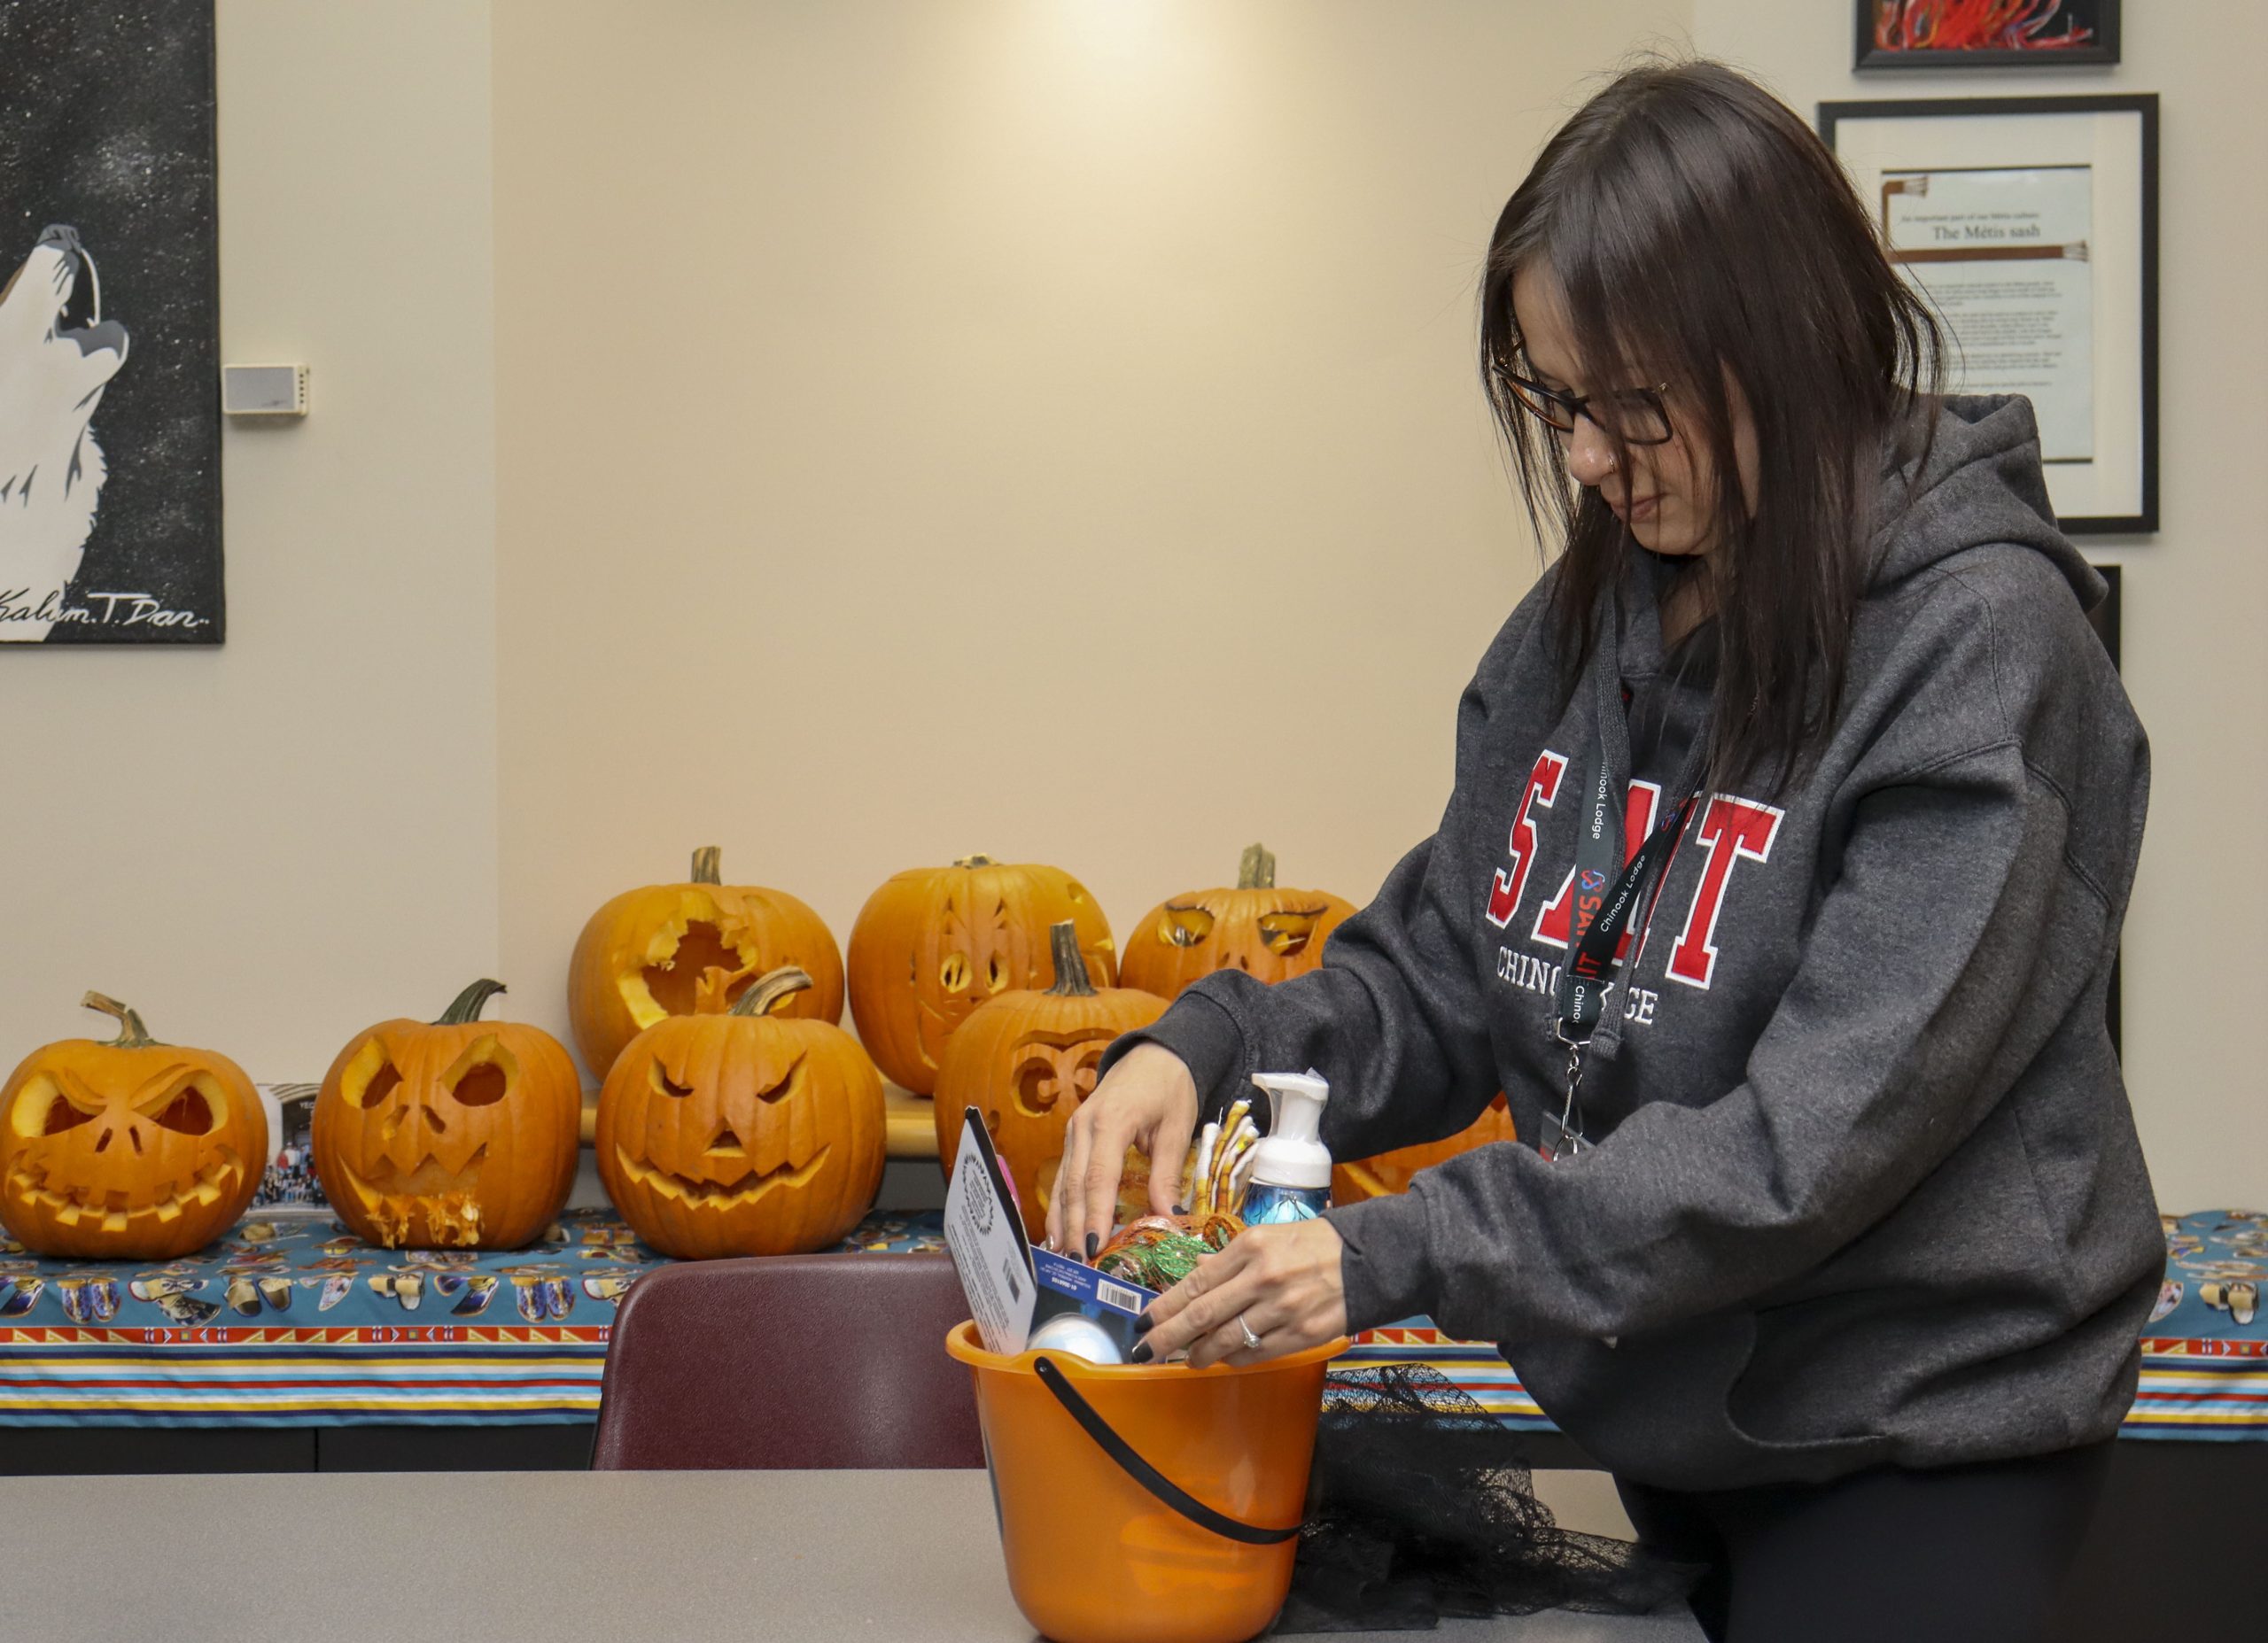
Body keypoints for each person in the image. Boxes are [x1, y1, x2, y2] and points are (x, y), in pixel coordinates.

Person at [1045, 58, 2159, 1643]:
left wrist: (1404, 1248)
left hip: (1919, 1427)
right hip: (1676, 1395)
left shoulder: (1983, 650)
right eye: (1558, 401)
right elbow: (1446, 966)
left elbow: (1804, 1150)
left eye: (1631, 406)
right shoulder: (1597, 609)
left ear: (1791, 342)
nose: (1582, 455)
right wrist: (1209, 1047)